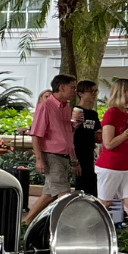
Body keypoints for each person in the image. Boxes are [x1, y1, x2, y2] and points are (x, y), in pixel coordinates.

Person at [97, 77, 128, 236]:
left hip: (127, 165)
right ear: (122, 92)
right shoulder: (112, 113)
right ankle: (89, 232)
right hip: (110, 166)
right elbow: (109, 144)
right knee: (104, 203)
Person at [26, 74, 79, 225]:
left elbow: (67, 135)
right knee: (64, 195)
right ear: (62, 88)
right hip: (51, 156)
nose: (74, 91)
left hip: (64, 156)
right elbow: (36, 135)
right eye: (72, 87)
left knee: (48, 195)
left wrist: (74, 159)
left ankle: (26, 223)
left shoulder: (66, 108)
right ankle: (68, 226)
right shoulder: (45, 107)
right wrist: (39, 159)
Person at [71, 80, 100, 197]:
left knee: (91, 183)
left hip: (89, 152)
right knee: (81, 184)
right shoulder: (75, 111)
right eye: (91, 91)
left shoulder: (93, 114)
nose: (94, 94)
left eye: (95, 91)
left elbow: (97, 132)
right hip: (77, 151)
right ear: (81, 93)